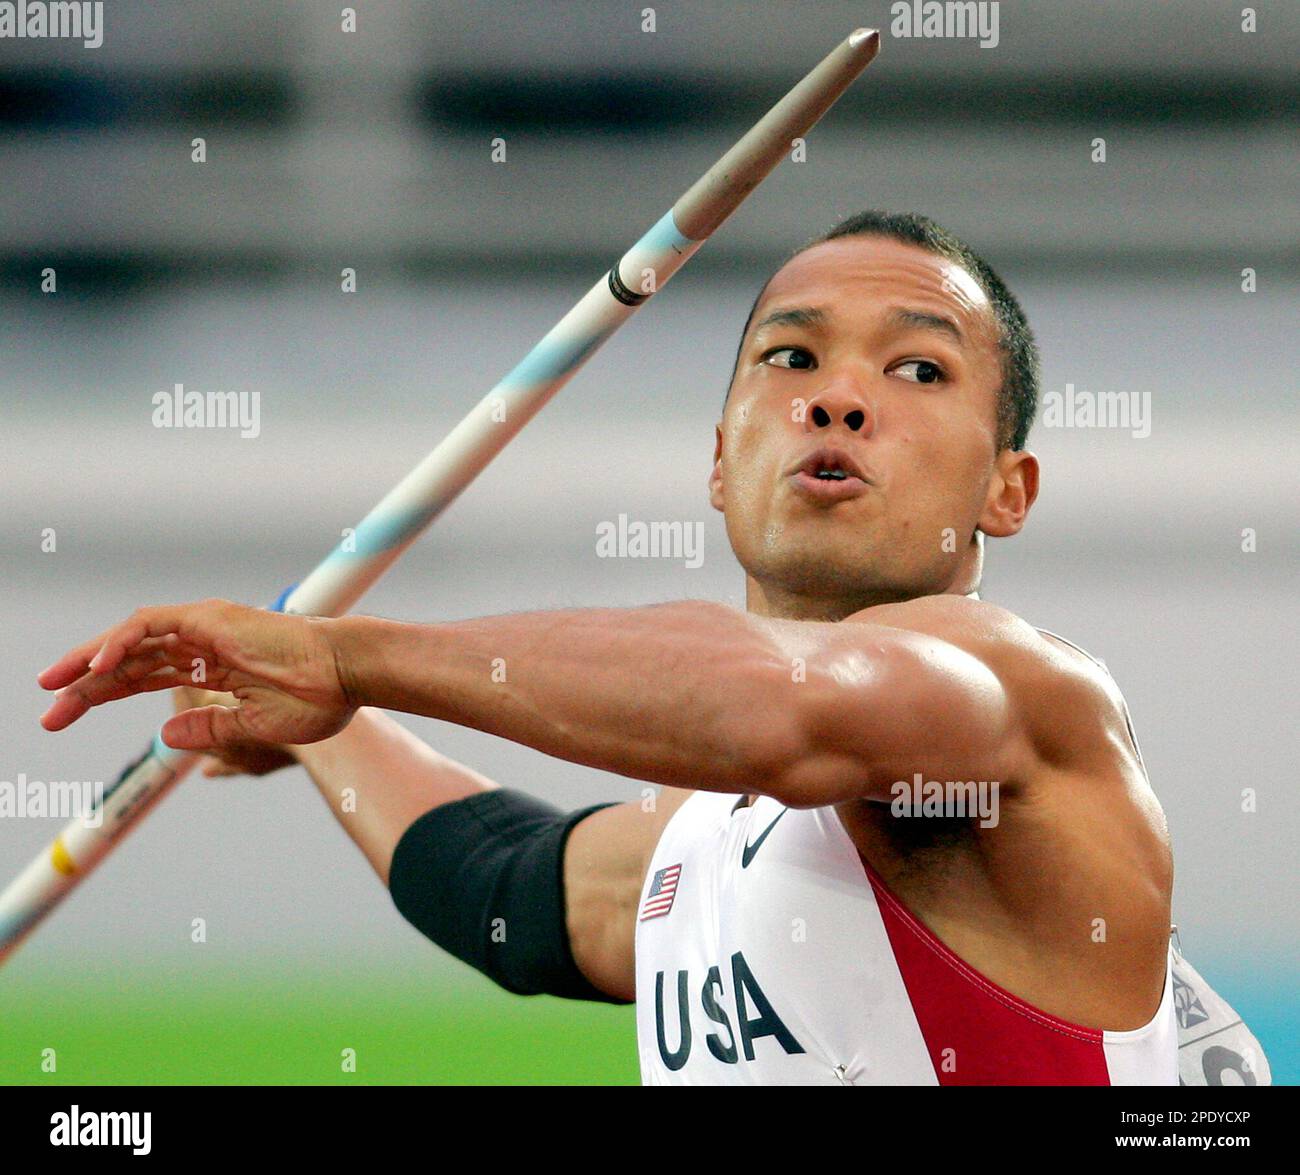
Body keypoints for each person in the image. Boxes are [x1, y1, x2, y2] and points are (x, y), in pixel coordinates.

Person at [38, 211, 1269, 1086]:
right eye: (790, 356)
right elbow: (518, 889)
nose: (836, 398)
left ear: (1008, 488)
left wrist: (341, 655)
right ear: (718, 461)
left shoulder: (1010, 689)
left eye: (916, 368)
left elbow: (774, 708)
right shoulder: (712, 823)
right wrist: (327, 726)